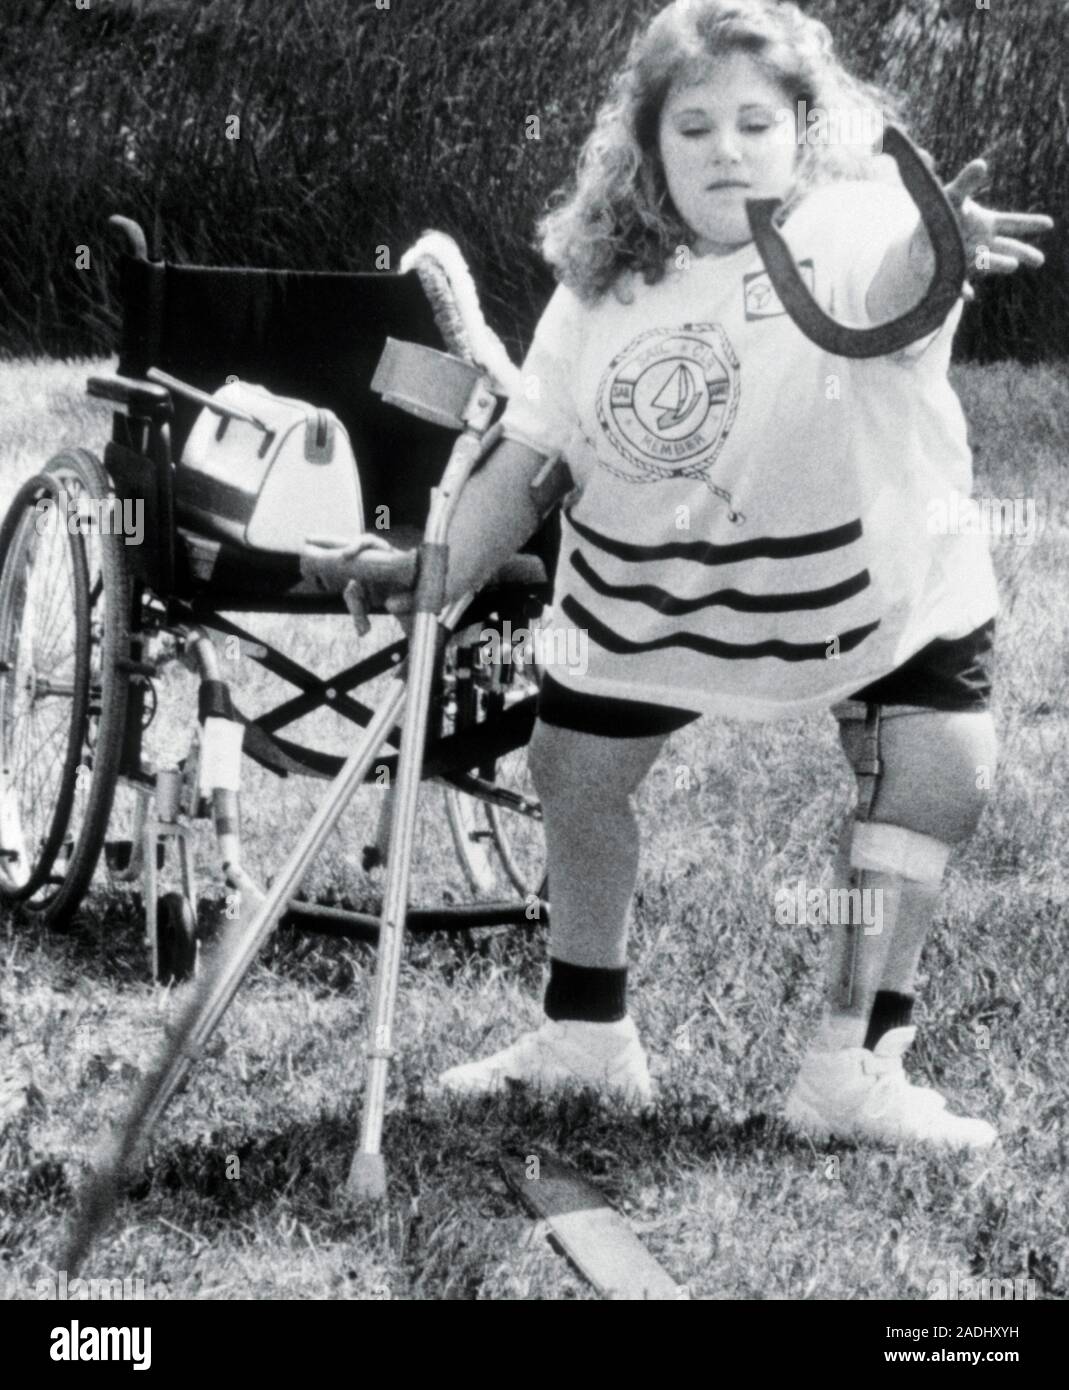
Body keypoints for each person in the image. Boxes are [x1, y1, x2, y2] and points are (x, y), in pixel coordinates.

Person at [322, 0, 1053, 1148]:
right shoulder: (602, 282)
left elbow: (898, 277)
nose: (726, 149)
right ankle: (585, 1034)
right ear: (648, 148)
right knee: (571, 767)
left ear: (804, 133)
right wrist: (437, 570)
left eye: (756, 124)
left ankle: (851, 1067)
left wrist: (936, 242)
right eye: (694, 127)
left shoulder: (852, 223)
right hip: (658, 581)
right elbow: (530, 454)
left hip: (866, 580)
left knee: (937, 770)